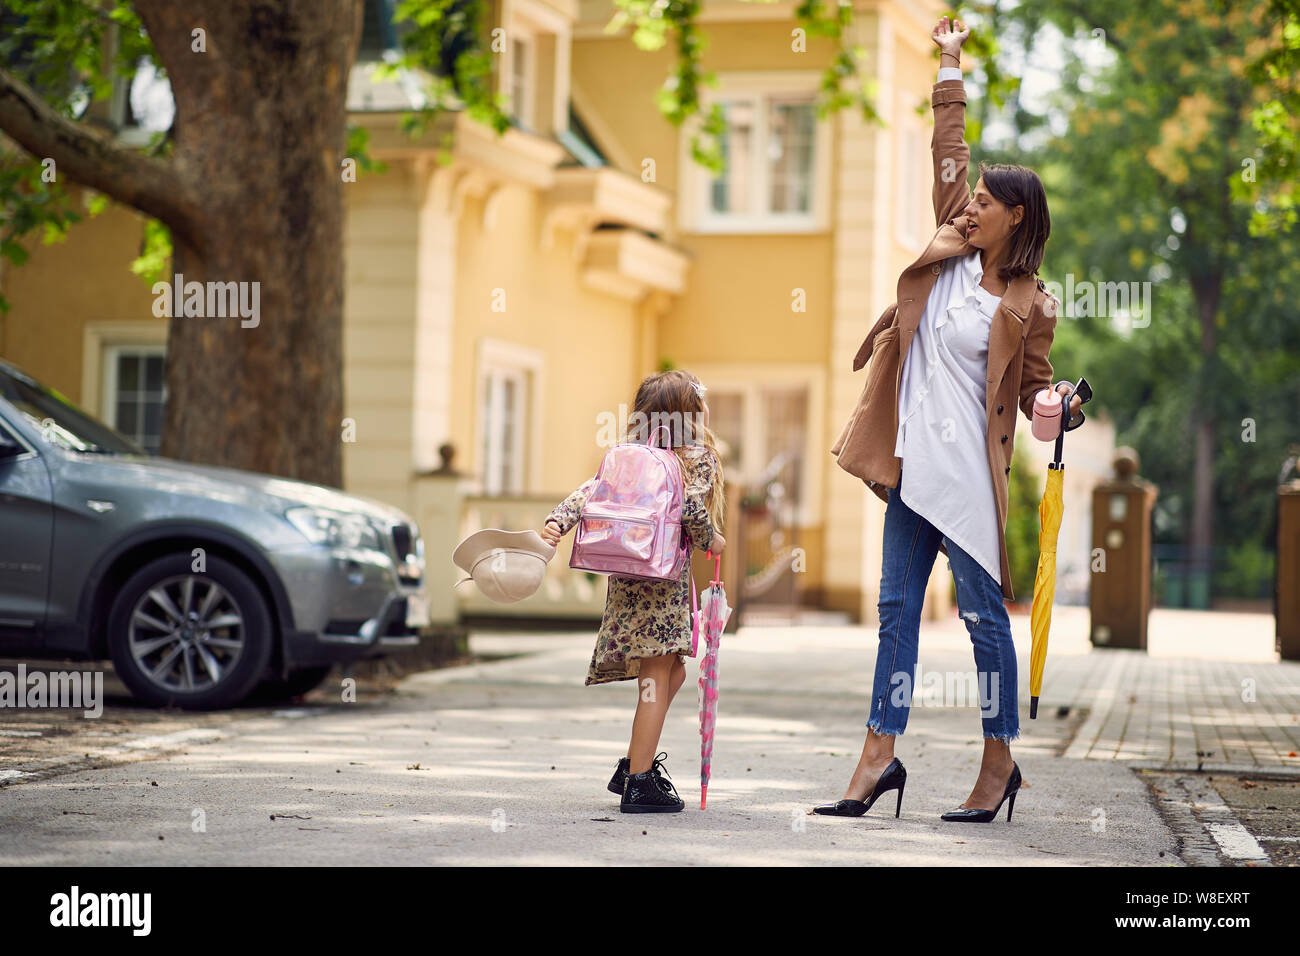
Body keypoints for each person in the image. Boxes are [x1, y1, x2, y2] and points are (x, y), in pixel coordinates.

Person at [820, 16, 1083, 823]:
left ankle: (999, 760)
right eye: (967, 197)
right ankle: (878, 755)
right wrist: (948, 60)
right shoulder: (949, 249)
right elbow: (949, 145)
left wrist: (1055, 407)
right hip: (909, 467)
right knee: (895, 614)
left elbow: (1038, 402)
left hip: (968, 481)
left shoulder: (1030, 302)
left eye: (984, 202)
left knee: (980, 625)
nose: (969, 205)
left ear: (1015, 218)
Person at [540, 369, 727, 813]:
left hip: (627, 577)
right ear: (688, 412)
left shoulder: (628, 455)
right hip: (661, 583)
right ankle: (639, 782)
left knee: (669, 674)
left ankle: (631, 765)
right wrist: (711, 540)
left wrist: (558, 520)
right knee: (658, 675)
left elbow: (592, 489)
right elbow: (690, 508)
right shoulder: (695, 457)